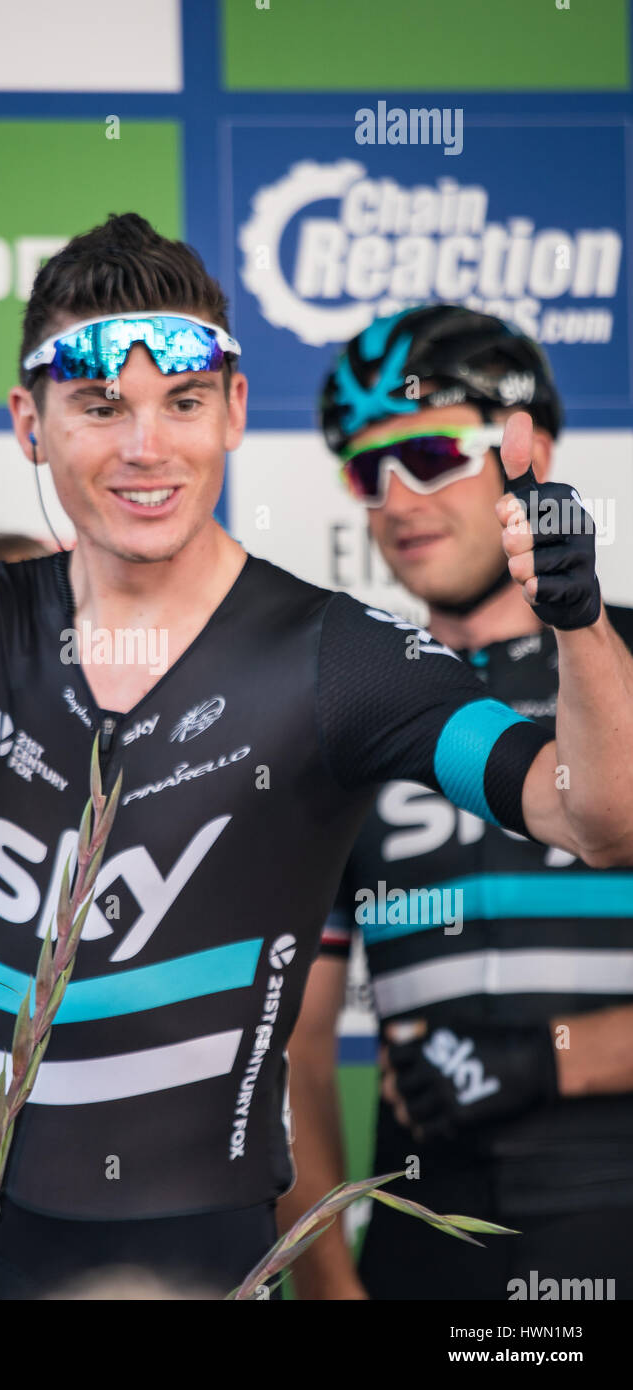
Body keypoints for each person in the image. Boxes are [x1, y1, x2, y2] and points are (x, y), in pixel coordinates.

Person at [0, 214, 633, 1300]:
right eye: (100, 407)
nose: (146, 447)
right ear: (30, 423)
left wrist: (578, 626)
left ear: (233, 410)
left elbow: (593, 817)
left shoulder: (344, 657)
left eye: (181, 403)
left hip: (209, 1265)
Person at [278, 305, 633, 1301]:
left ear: (530, 454)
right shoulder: (349, 709)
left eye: (431, 454)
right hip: (424, 1230)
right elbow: (299, 1043)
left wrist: (552, 1058)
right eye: (366, 469)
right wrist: (328, 1282)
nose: (397, 497)